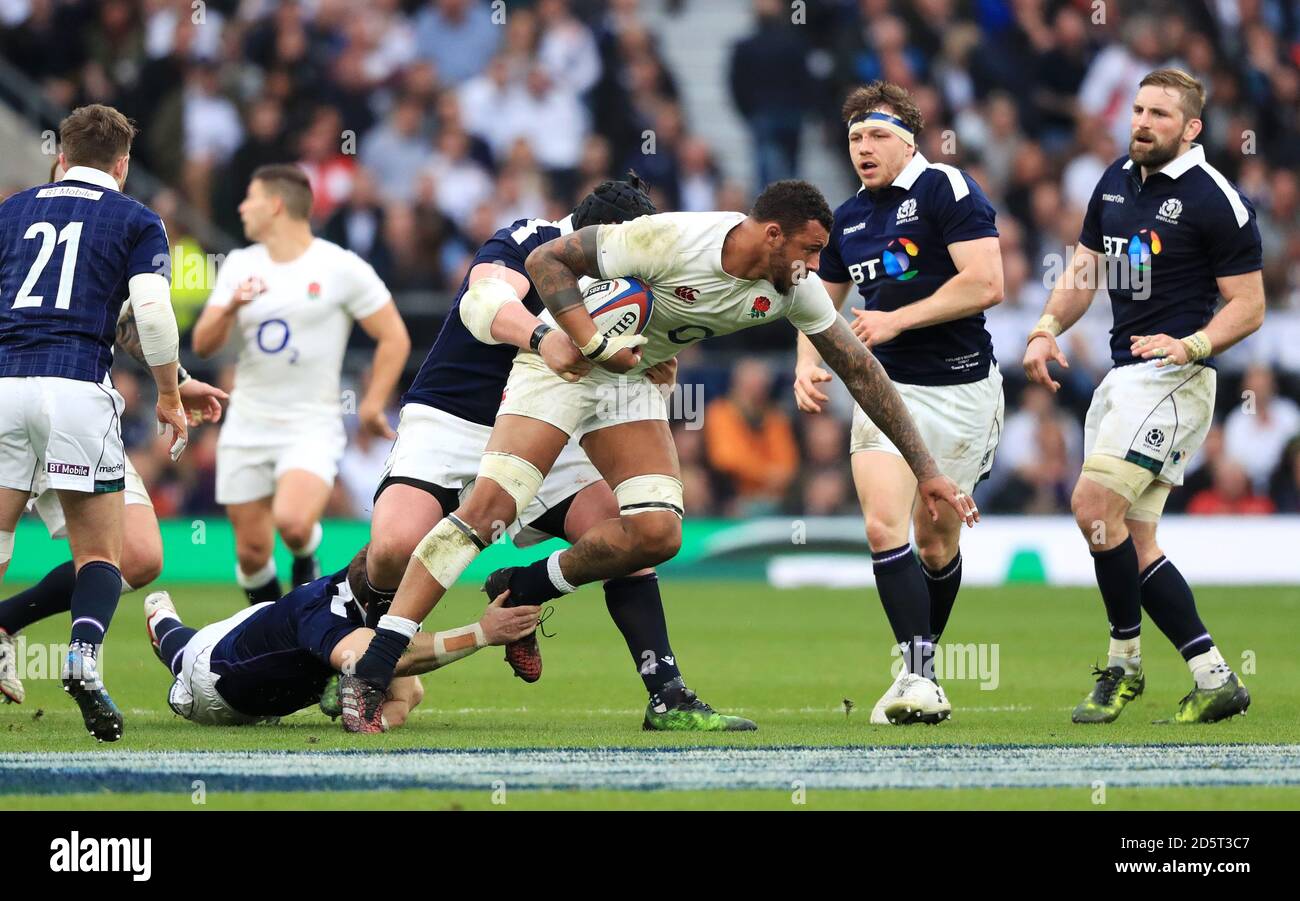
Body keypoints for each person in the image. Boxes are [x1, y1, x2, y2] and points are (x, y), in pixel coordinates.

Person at [340, 179, 978, 734]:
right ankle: (370, 667)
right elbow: (533, 271)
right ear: (775, 235)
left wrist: (928, 472)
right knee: (479, 514)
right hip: (537, 374)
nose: (818, 268)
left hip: (622, 380)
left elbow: (863, 373)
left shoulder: (792, 286)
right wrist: (579, 338)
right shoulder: (668, 238)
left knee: (655, 532)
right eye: (811, 251)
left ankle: (535, 592)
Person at [364, 173, 754, 731]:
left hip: (551, 418)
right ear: (587, 234)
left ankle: (664, 692)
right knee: (394, 547)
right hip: (456, 419)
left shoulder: (636, 262)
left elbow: (648, 346)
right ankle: (360, 659)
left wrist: (654, 361)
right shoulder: (526, 239)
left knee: (630, 535)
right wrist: (546, 339)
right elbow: (486, 300)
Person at [1023, 69, 1265, 725]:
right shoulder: (1114, 182)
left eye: (1159, 113)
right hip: (1122, 377)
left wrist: (1191, 345)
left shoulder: (1217, 199)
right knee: (1133, 539)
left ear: (1191, 128)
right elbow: (1082, 272)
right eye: (1136, 109)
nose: (1141, 121)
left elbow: (1249, 306)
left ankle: (1123, 662)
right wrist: (1046, 328)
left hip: (1176, 380)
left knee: (1091, 506)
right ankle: (1214, 676)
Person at [793, 81, 1005, 725]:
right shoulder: (848, 217)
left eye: (878, 134)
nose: (864, 147)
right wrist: (807, 362)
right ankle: (919, 679)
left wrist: (898, 320)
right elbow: (816, 300)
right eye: (854, 137)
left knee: (935, 544)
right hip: (886, 391)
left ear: (910, 140)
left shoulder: (947, 188)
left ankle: (920, 674)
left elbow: (989, 282)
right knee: (884, 528)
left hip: (963, 388)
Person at [0, 158, 227, 708]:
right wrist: (169, 396)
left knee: (141, 552)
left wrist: (180, 377)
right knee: (105, 552)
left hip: (8, 392)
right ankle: (80, 657)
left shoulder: (11, 212)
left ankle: (4, 625)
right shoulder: (132, 217)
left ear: (60, 158)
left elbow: (120, 322)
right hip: (76, 397)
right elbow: (149, 316)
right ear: (122, 165)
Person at [192, 165, 410, 604]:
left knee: (292, 522)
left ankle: (306, 552)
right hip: (248, 421)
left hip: (311, 422)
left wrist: (371, 404)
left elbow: (394, 336)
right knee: (252, 553)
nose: (241, 207)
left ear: (275, 205)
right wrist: (232, 304)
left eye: (249, 198)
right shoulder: (239, 265)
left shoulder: (339, 266)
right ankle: (272, 635)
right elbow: (203, 344)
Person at [143, 549, 538, 730]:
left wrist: (377, 720)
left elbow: (409, 692)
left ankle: (167, 623)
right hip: (210, 682)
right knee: (180, 654)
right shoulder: (325, 613)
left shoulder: (368, 598)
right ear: (375, 599)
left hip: (258, 630)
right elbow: (383, 661)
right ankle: (162, 619)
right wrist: (482, 633)